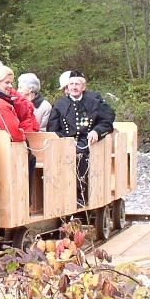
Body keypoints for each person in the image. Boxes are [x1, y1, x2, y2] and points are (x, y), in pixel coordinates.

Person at [47, 69, 116, 206]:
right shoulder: (60, 105)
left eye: (77, 84)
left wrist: (97, 131)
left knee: (80, 155)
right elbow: (53, 129)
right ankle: (58, 195)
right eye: (71, 84)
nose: (74, 87)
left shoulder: (94, 102)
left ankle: (80, 195)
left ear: (83, 87)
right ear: (67, 87)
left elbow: (107, 122)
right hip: (65, 142)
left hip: (88, 143)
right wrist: (64, 141)